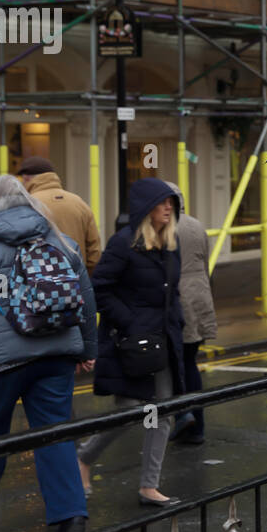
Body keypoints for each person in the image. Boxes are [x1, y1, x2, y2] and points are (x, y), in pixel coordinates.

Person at [0, 174, 97, 532]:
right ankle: (70, 514)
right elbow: (87, 302)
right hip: (55, 355)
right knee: (55, 435)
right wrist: (89, 350)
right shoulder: (60, 241)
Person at [77, 178, 185, 506]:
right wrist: (131, 323)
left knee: (163, 413)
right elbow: (100, 289)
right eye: (163, 202)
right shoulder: (123, 243)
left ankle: (148, 486)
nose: (169, 208)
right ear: (146, 207)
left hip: (164, 341)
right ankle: (83, 457)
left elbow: (171, 293)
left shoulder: (170, 244)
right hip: (131, 343)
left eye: (172, 203)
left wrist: (178, 323)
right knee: (129, 410)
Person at [165, 182, 217, 445]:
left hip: (179, 299)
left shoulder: (165, 226)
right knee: (189, 361)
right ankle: (195, 424)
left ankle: (185, 418)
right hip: (200, 296)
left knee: (177, 365)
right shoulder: (197, 225)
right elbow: (205, 263)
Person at [17, 156, 103, 272]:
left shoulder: (28, 204)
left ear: (26, 178)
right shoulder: (79, 202)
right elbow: (94, 251)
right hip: (76, 279)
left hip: (40, 280)